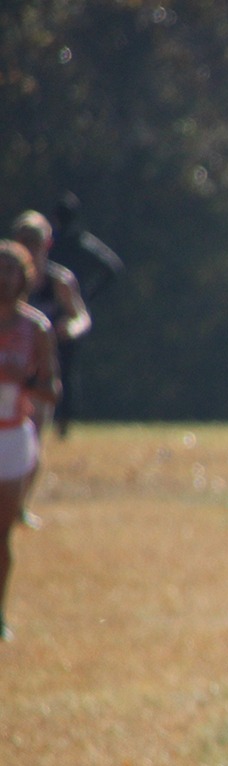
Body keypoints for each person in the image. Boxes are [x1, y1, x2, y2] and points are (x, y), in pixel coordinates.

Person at [0, 239, 61, 640]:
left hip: (11, 438)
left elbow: (50, 389)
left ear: (25, 277)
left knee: (0, 533)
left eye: (10, 270)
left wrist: (24, 383)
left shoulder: (35, 328)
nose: (3, 278)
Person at [9, 212, 86, 523]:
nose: (30, 247)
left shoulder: (59, 281)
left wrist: (68, 329)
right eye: (24, 241)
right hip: (9, 369)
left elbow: (81, 317)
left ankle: (19, 505)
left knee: (34, 435)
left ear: (48, 244)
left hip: (41, 368)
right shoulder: (7, 280)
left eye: (35, 242)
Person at [47, 192, 123, 438]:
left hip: (50, 312)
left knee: (46, 368)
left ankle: (50, 419)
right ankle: (63, 424)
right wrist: (88, 295)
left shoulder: (51, 243)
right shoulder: (82, 242)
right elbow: (112, 267)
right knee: (67, 372)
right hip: (72, 312)